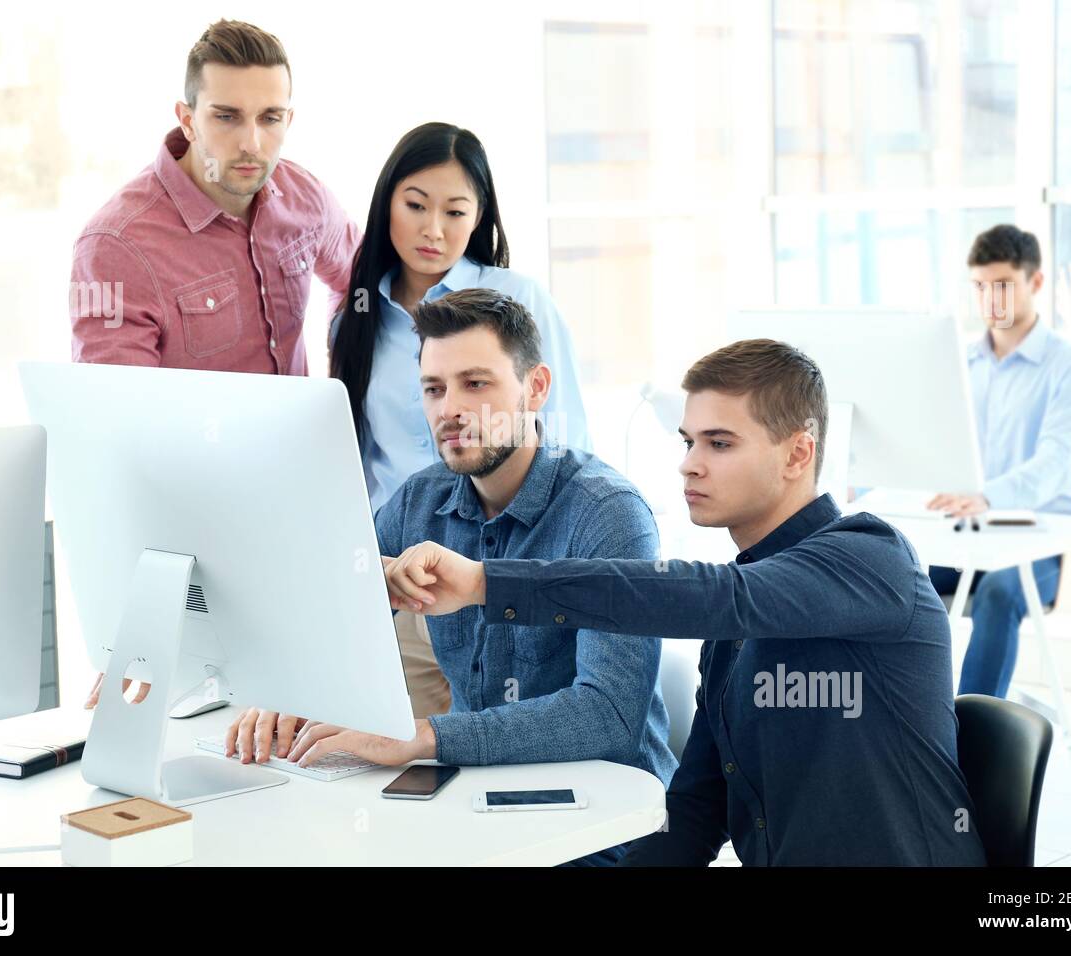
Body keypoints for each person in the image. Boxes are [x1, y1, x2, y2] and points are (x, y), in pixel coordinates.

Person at [381, 339, 989, 866]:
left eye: (719, 444)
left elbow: (719, 596)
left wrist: (488, 582)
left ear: (798, 454)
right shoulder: (732, 630)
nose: (689, 465)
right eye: (689, 440)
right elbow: (698, 807)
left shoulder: (870, 556)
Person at [227, 288, 675, 867]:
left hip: (601, 827)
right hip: (470, 805)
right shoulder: (420, 501)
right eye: (434, 389)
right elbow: (328, 628)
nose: (449, 409)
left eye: (476, 383)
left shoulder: (607, 514)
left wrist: (424, 737)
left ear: (535, 388)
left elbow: (607, 717)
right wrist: (285, 694)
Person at [329, 122, 591, 717]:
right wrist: (373, 568)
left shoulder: (517, 300)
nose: (433, 230)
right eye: (416, 206)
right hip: (406, 578)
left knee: (512, 752)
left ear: (480, 217)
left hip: (504, 565)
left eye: (456, 211)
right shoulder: (357, 319)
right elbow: (359, 462)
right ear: (386, 204)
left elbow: (569, 434)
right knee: (418, 769)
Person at [70, 19, 359, 376]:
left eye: (270, 118)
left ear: (289, 120)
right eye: (227, 116)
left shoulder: (306, 198)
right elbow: (114, 407)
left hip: (307, 431)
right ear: (188, 121)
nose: (251, 144)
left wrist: (346, 381)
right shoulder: (114, 246)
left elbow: (363, 281)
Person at [927, 225, 1071, 698]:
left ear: (1036, 283)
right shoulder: (960, 364)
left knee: (1000, 593)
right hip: (971, 535)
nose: (990, 300)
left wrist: (986, 498)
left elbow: (1058, 462)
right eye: (980, 287)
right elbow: (935, 444)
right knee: (894, 574)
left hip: (1045, 538)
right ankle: (905, 719)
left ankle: (974, 743)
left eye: (1002, 285)